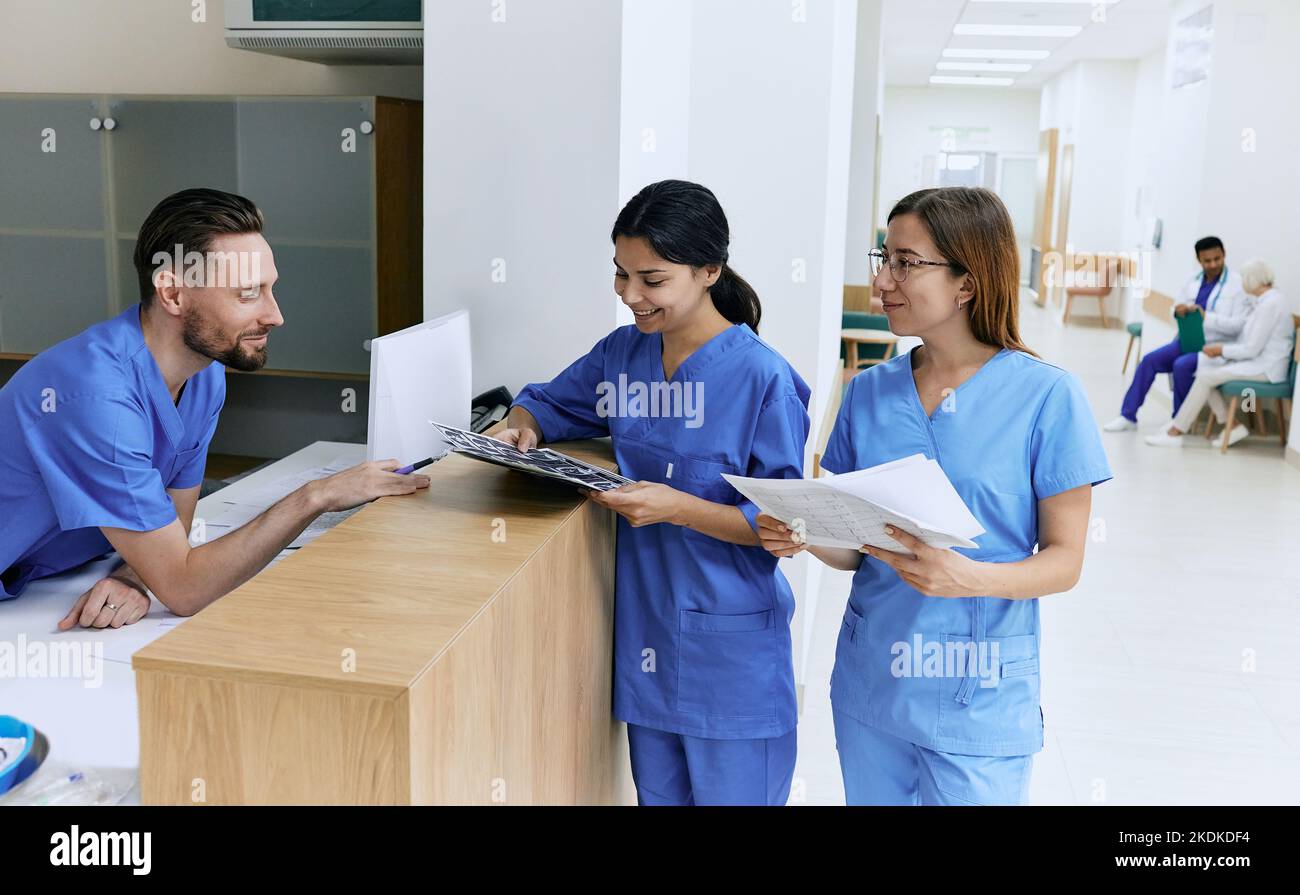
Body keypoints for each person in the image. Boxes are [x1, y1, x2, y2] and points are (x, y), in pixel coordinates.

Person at [757, 187, 1111, 805]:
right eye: (882, 258)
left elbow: (1065, 560)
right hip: (874, 682)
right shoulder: (868, 392)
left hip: (980, 691)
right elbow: (855, 548)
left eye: (905, 262)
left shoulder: (1047, 398)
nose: (883, 281)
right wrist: (804, 535)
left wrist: (968, 577)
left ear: (967, 283)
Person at [496, 180, 810, 806]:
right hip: (647, 641)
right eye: (620, 275)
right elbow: (548, 402)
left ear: (708, 271)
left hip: (730, 650)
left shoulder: (762, 379)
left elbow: (780, 527)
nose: (631, 296)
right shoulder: (623, 354)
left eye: (652, 280)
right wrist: (520, 428)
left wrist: (678, 509)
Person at [0, 188, 430, 628]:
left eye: (270, 289)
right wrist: (316, 496)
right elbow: (186, 589)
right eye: (248, 294)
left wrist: (136, 575)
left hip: (50, 585)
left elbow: (176, 525)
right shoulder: (96, 400)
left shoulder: (203, 372)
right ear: (172, 295)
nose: (275, 315)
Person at [1105, 236, 1252, 431]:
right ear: (1199, 260)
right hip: (1187, 341)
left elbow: (1238, 326)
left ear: (1224, 255)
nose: (1213, 264)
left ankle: (1178, 422)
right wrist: (1177, 311)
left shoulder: (1237, 285)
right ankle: (1128, 416)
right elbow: (1173, 308)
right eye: (1207, 261)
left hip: (1213, 347)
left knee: (1181, 366)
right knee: (1148, 361)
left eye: (1217, 259)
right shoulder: (1191, 280)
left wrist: (1206, 317)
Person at [1146, 260, 1295, 448]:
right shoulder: (1266, 301)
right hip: (1258, 361)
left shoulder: (1270, 305)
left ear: (1252, 280)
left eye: (1243, 279)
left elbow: (1251, 348)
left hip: (1266, 368)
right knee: (1204, 370)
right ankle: (1232, 425)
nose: (1241, 284)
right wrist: (1221, 350)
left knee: (1205, 377)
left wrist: (1221, 350)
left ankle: (1176, 431)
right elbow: (1248, 340)